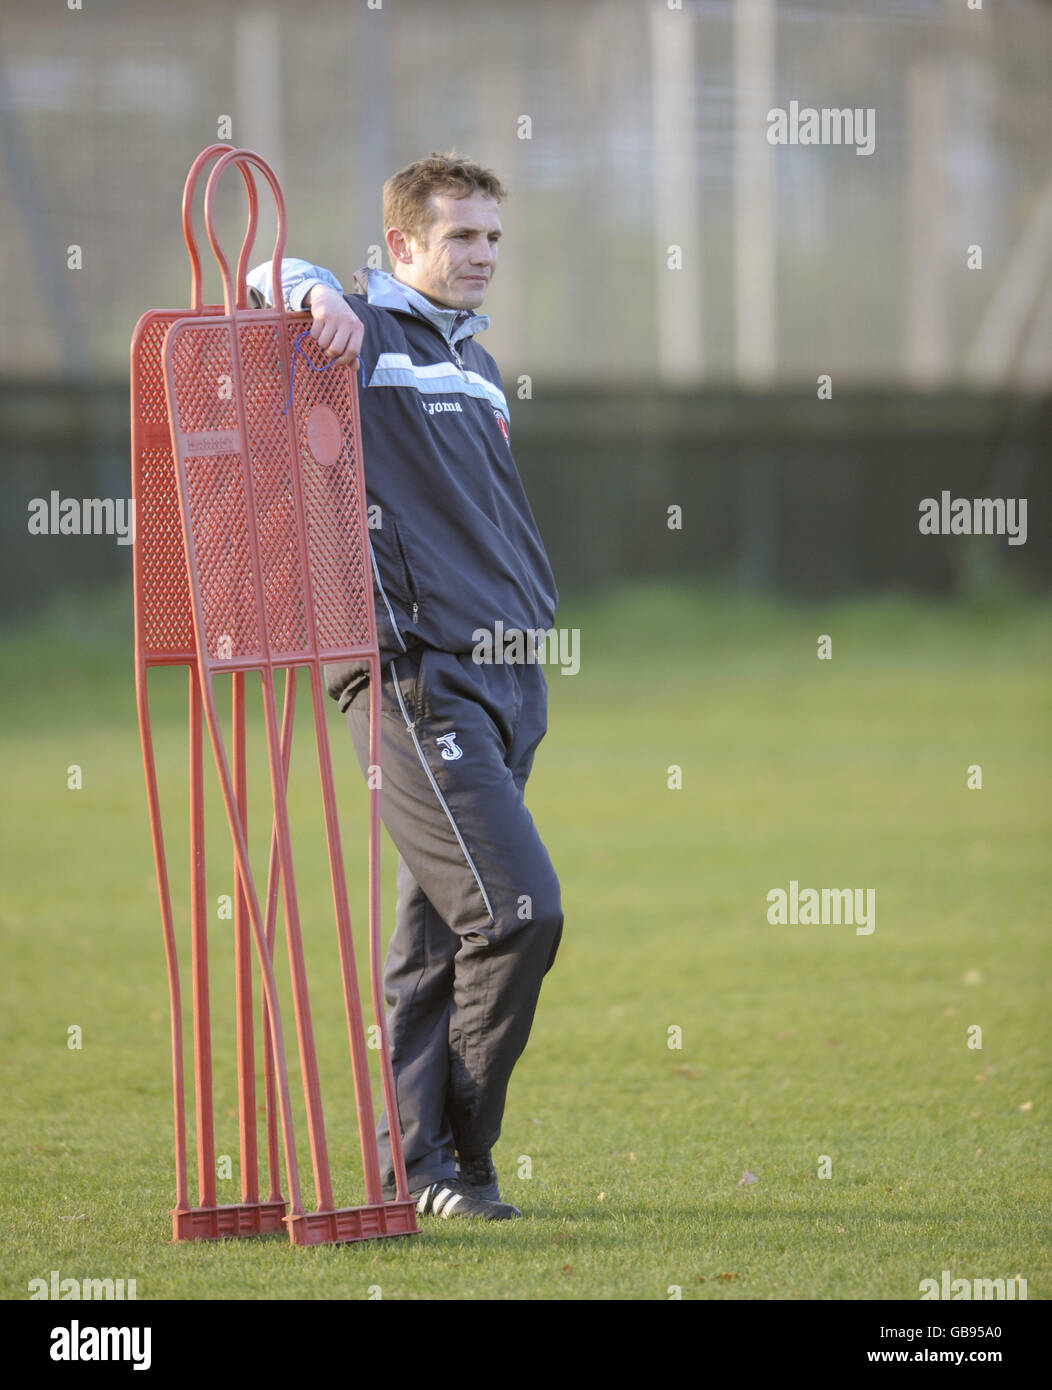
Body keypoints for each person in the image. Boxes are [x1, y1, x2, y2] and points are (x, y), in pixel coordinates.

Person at [248, 153, 562, 1221]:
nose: (479, 257)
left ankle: (406, 1169)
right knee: (519, 913)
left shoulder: (473, 362)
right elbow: (258, 268)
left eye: (490, 239)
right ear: (401, 248)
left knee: (432, 941)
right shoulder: (355, 333)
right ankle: (454, 1163)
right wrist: (310, 294)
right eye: (459, 237)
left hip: (509, 675)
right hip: (412, 675)